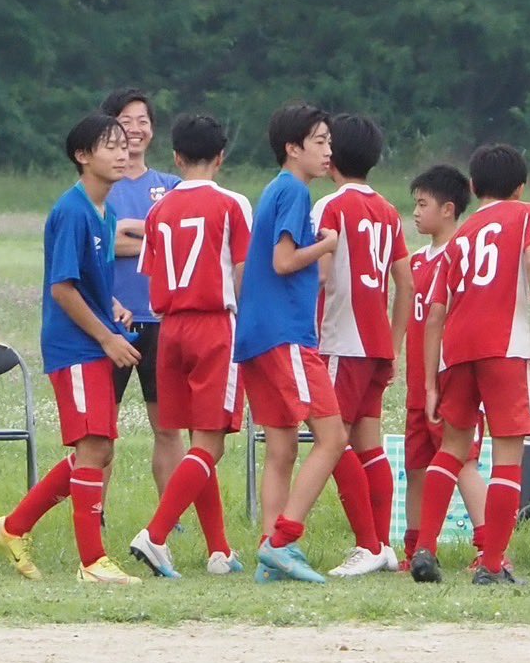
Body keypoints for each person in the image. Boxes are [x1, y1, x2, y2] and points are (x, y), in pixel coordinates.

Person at [0, 114, 143, 585]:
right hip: (75, 346)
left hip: (92, 342)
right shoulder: (73, 211)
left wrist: (113, 306)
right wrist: (107, 337)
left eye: (124, 145)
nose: (122, 153)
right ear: (82, 156)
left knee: (100, 449)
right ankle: (92, 562)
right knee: (93, 447)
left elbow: (89, 284)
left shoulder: (105, 213)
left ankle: (12, 527)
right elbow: (62, 289)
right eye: (110, 146)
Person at [408, 144, 530, 586]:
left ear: (473, 187)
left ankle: (424, 548)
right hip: (503, 347)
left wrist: (431, 383)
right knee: (508, 455)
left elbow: (436, 312)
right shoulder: (529, 212)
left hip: (456, 349)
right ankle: (491, 564)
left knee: (451, 448)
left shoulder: (462, 234)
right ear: (521, 187)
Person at [127, 113, 251, 579]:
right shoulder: (232, 203)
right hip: (214, 325)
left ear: (176, 157)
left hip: (170, 328)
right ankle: (156, 534)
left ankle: (220, 550)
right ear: (221, 157)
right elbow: (241, 271)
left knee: (199, 443)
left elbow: (151, 271)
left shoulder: (159, 210)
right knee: (210, 444)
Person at [236, 102, 341, 584]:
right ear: (292, 148)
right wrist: (326, 245)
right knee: (332, 438)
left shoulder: (275, 189)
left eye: (329, 141)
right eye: (318, 141)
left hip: (255, 336)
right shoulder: (296, 191)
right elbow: (283, 261)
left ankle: (268, 556)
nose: (327, 150)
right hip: (285, 335)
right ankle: (283, 541)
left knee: (281, 450)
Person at [311, 114, 411, 577]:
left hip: (339, 340)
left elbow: (319, 273)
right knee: (368, 444)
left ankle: (367, 544)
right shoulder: (388, 210)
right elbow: (405, 282)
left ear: (333, 155)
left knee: (331, 442)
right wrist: (395, 343)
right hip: (376, 344)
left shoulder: (329, 207)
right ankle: (384, 544)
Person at [403, 165, 488, 571]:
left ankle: (489, 547)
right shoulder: (417, 261)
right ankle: (416, 548)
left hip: (451, 380)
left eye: (423, 204)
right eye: (415, 204)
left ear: (449, 209)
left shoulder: (463, 256)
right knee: (416, 465)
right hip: (418, 383)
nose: (416, 213)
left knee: (462, 461)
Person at [100, 88, 183, 499]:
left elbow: (181, 243)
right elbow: (100, 243)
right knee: (102, 431)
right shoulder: (100, 186)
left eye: (142, 121)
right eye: (125, 121)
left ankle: (172, 518)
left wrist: (127, 234)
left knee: (168, 428)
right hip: (110, 321)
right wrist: (153, 236)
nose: (135, 129)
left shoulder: (172, 186)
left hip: (163, 321)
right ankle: (95, 514)